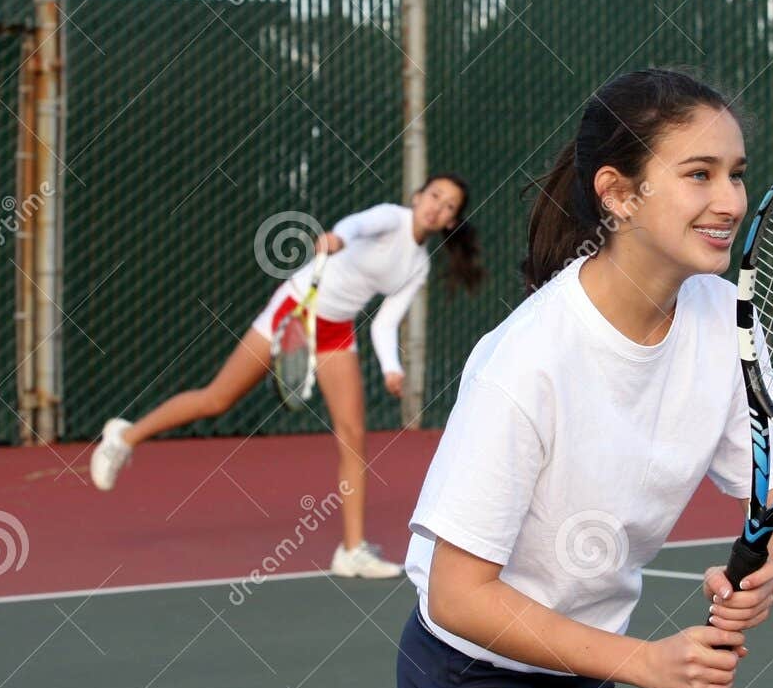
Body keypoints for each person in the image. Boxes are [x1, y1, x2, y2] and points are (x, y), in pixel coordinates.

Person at [396, 69, 773, 688]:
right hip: (474, 674)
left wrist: (771, 575)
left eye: (736, 173)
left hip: (577, 675)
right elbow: (457, 591)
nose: (729, 199)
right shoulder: (527, 360)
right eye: (699, 173)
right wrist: (645, 661)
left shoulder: (732, 323)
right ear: (618, 193)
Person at [89, 174, 482, 578]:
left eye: (449, 206)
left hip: (335, 330)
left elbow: (385, 325)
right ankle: (124, 436)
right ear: (418, 196)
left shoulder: (418, 266)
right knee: (218, 399)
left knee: (353, 434)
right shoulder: (389, 217)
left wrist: (392, 368)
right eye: (435, 196)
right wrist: (337, 238)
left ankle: (352, 550)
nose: (438, 206)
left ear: (450, 222)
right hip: (296, 307)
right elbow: (356, 225)